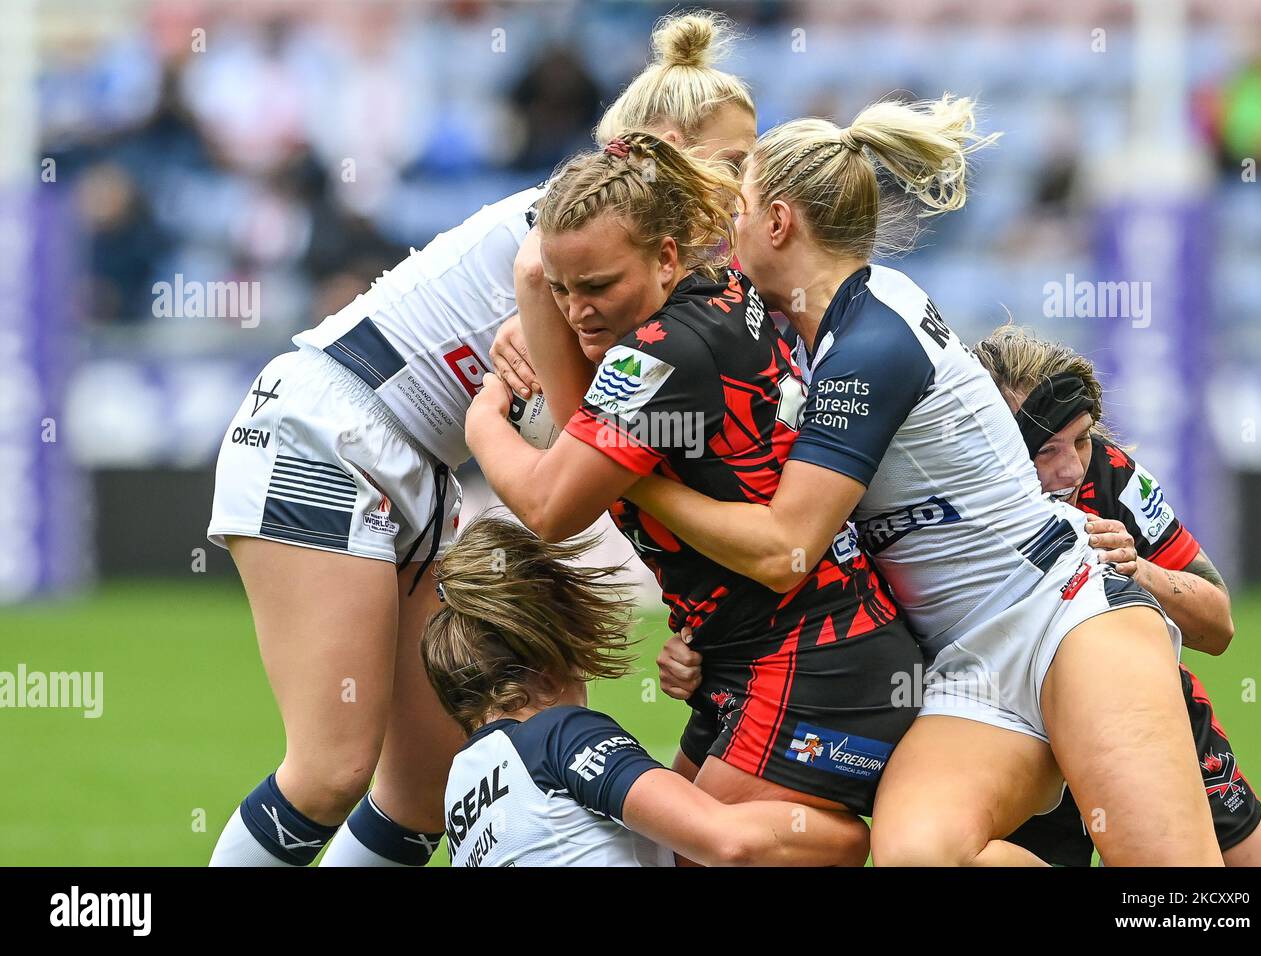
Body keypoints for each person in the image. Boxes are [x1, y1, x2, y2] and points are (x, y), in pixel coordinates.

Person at [204, 11, 758, 867]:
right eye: (731, 163)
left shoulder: (613, 245)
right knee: (330, 769)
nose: (746, 185)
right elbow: (574, 442)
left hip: (412, 462)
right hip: (329, 429)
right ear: (659, 149)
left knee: (422, 792)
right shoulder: (577, 240)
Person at [622, 97, 1222, 865]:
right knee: (919, 857)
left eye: (737, 209)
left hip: (1063, 614)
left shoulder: (872, 341)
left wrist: (630, 475)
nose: (724, 233)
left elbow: (784, 549)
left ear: (777, 224)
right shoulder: (807, 332)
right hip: (966, 666)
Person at [464, 130, 922, 849]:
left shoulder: (663, 353)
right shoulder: (714, 284)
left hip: (812, 658)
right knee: (676, 851)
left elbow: (552, 506)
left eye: (598, 287)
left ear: (666, 256)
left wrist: (483, 421)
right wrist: (538, 284)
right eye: (562, 290)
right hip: (750, 651)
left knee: (716, 852)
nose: (578, 311)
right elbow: (581, 406)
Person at [972, 324, 1261, 867]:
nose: (1071, 467)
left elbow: (1218, 626)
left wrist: (1138, 570)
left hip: (1149, 710)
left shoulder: (1112, 474)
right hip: (1018, 728)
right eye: (1047, 449)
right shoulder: (953, 501)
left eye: (1081, 437)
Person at [425, 515, 874, 867]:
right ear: (548, 664)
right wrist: (851, 837)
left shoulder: (460, 792)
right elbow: (727, 842)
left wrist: (707, 710)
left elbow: (661, 831)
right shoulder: (558, 733)